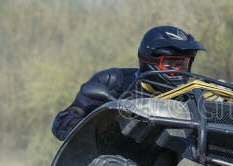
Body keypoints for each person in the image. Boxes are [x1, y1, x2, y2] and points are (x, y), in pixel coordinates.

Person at [51, 25, 205, 142]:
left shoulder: (191, 96)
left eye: (184, 64)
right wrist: (98, 131)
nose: (180, 71)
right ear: (149, 60)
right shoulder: (113, 80)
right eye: (171, 64)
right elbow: (63, 121)